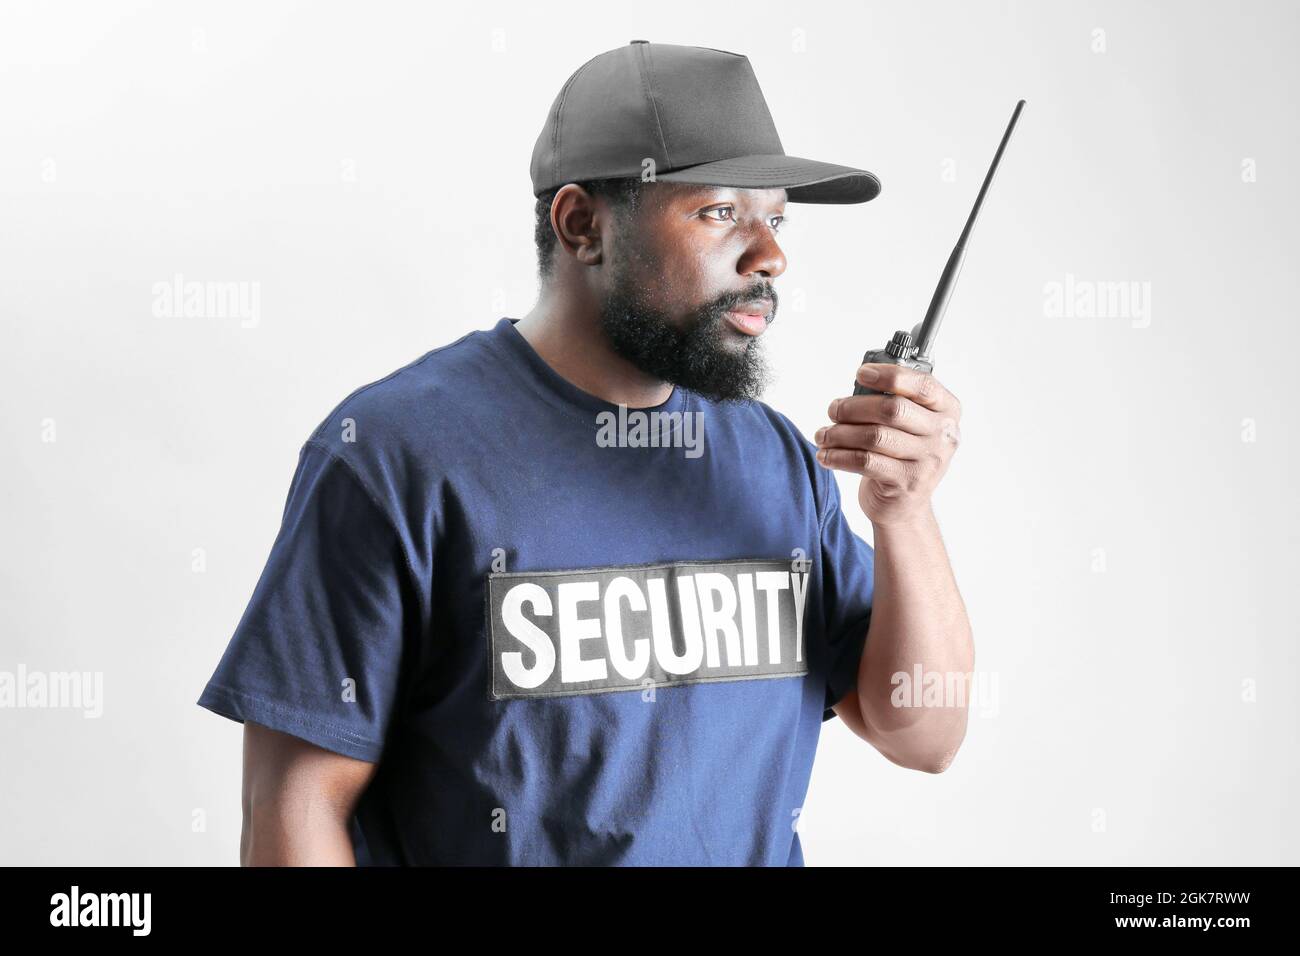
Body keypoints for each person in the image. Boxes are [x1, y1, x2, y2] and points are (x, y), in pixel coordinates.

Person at [197, 40, 973, 866]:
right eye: (720, 212)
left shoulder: (774, 459)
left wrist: (906, 516)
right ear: (581, 225)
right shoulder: (395, 454)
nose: (770, 254)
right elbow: (293, 807)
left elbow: (923, 734)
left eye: (775, 217)